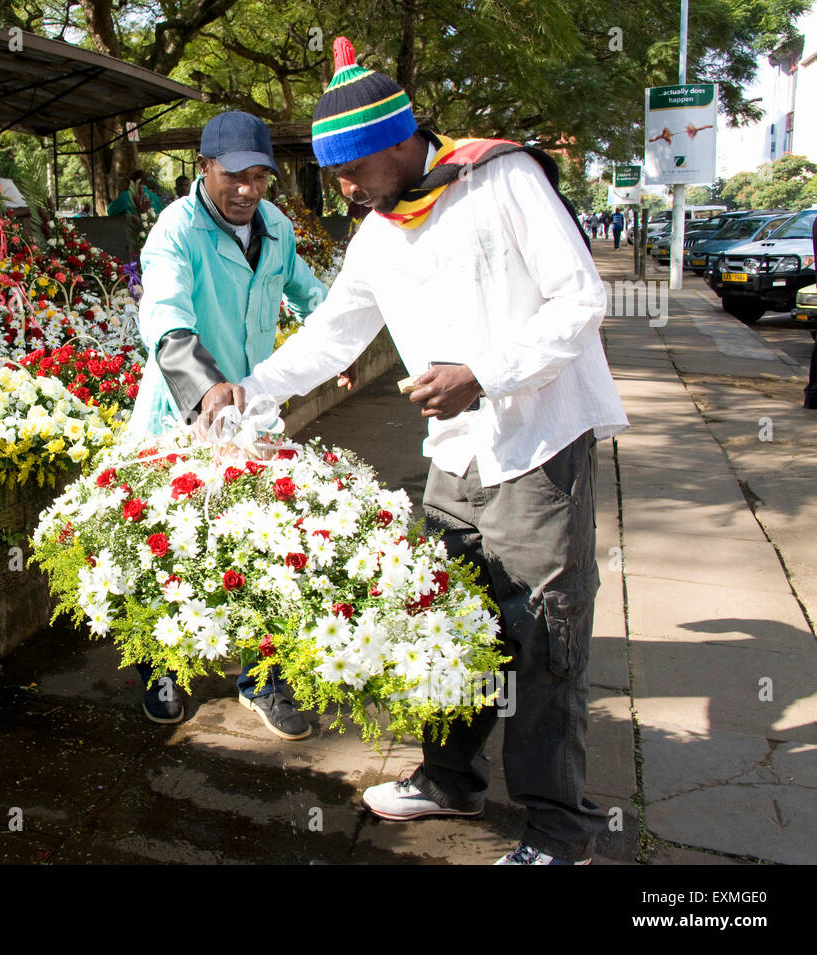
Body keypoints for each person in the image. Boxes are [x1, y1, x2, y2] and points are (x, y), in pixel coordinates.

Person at [231, 37, 629, 864]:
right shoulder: (380, 231)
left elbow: (581, 297)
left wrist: (482, 374)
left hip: (535, 445)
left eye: (349, 172)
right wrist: (247, 391)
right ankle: (450, 778)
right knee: (448, 622)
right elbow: (333, 334)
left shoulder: (504, 178)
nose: (342, 190)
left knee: (542, 642)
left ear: (392, 146)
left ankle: (561, 832)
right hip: (455, 456)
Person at [129, 110, 329, 739]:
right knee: (167, 550)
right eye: (233, 176)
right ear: (204, 168)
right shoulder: (174, 231)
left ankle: (263, 677)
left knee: (267, 548)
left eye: (260, 177)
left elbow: (307, 292)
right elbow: (164, 317)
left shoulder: (274, 226)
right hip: (182, 412)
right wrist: (207, 386)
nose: (247, 190)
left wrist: (337, 353)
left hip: (256, 413)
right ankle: (160, 668)